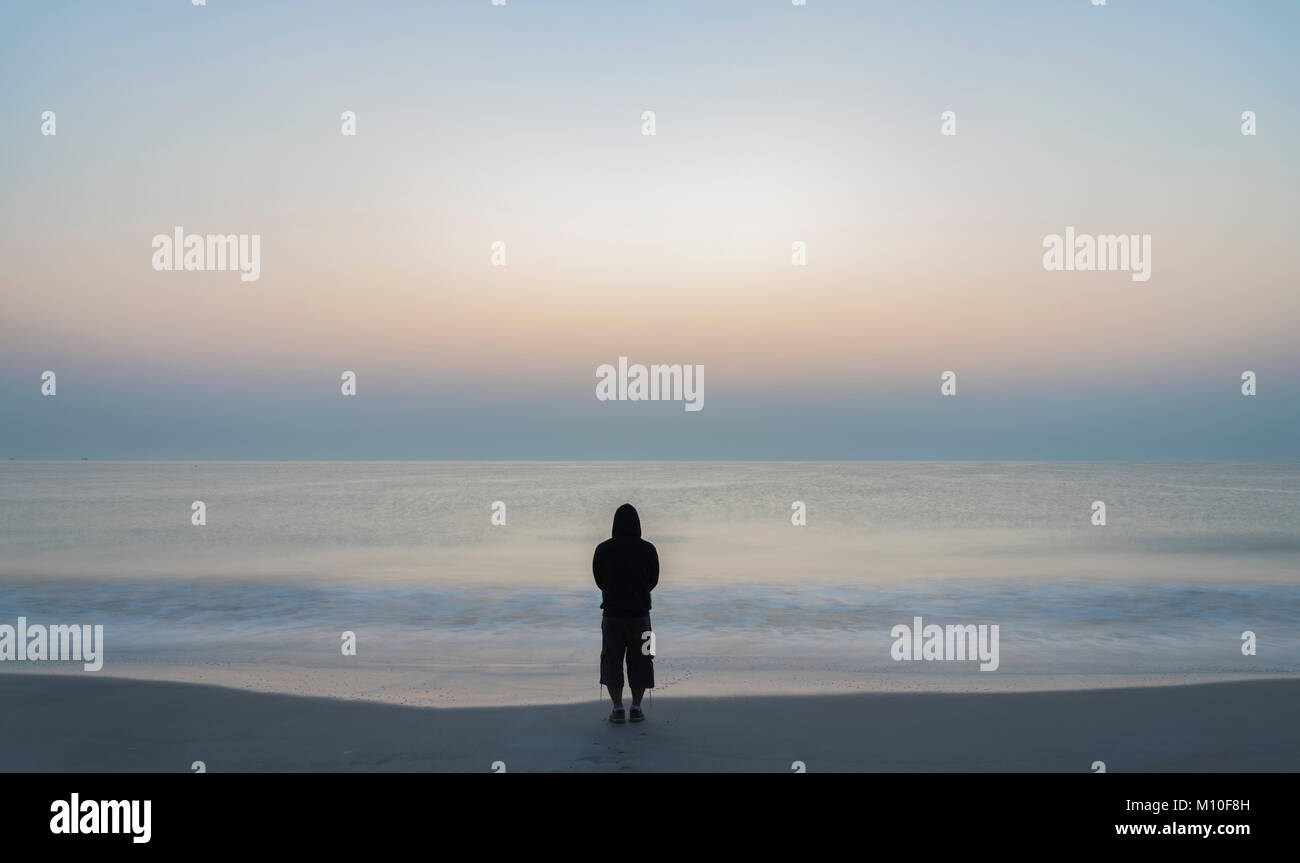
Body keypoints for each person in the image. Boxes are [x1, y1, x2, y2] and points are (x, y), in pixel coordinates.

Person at [593, 503, 659, 724]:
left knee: (611, 660)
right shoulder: (648, 549)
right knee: (643, 659)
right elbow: (653, 580)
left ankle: (618, 708)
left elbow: (599, 580)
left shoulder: (603, 549)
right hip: (641, 615)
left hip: (612, 615)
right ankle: (637, 707)